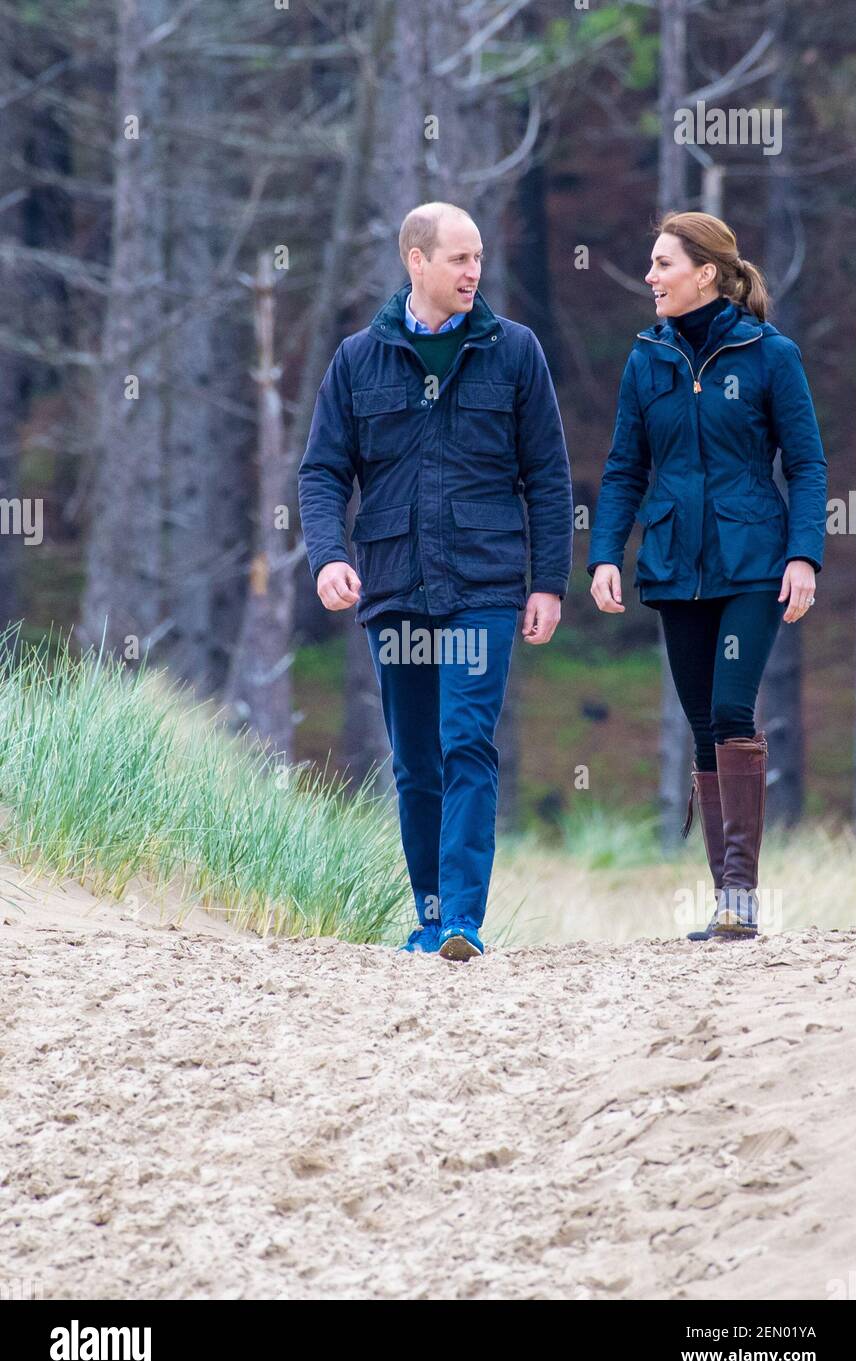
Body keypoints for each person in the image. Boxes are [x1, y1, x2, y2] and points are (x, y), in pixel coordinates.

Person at [299, 202, 574, 960]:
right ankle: (427, 917)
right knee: (416, 759)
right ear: (416, 262)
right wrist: (328, 556)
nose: (473, 271)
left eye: (478, 257)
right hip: (393, 587)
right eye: (457, 258)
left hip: (485, 586)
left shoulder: (514, 352)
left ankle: (461, 920)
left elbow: (548, 476)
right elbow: (323, 471)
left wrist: (547, 580)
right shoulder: (359, 359)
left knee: (467, 743)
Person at [587, 211, 827, 941]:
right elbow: (626, 466)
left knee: (730, 710)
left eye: (663, 264)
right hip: (672, 565)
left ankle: (742, 900)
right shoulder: (646, 361)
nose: (651, 277)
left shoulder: (769, 355)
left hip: (753, 563)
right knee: (701, 728)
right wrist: (604, 553)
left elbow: (808, 464)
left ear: (707, 274)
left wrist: (804, 555)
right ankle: (725, 900)